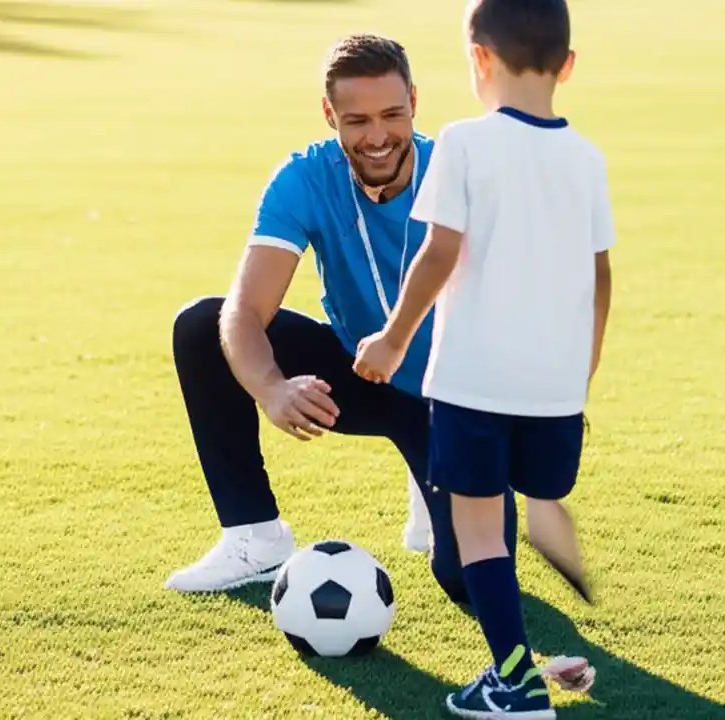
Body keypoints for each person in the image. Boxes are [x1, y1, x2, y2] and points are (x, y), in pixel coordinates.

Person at [166, 33, 522, 605]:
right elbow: (244, 311)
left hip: (452, 397)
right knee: (202, 328)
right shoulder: (306, 177)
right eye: (356, 120)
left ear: (414, 101)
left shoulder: (465, 177)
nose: (377, 136)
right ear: (329, 114)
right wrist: (271, 388)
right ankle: (254, 537)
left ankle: (432, 474)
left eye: (391, 115)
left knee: (464, 579)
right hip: (359, 371)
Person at [352, 0, 612, 716]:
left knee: (474, 528)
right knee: (540, 493)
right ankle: (553, 546)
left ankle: (515, 682)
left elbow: (439, 253)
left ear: (478, 61)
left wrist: (393, 339)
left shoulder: (465, 143)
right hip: (554, 389)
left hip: (473, 381)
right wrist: (580, 371)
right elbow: (600, 276)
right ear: (568, 65)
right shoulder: (587, 158)